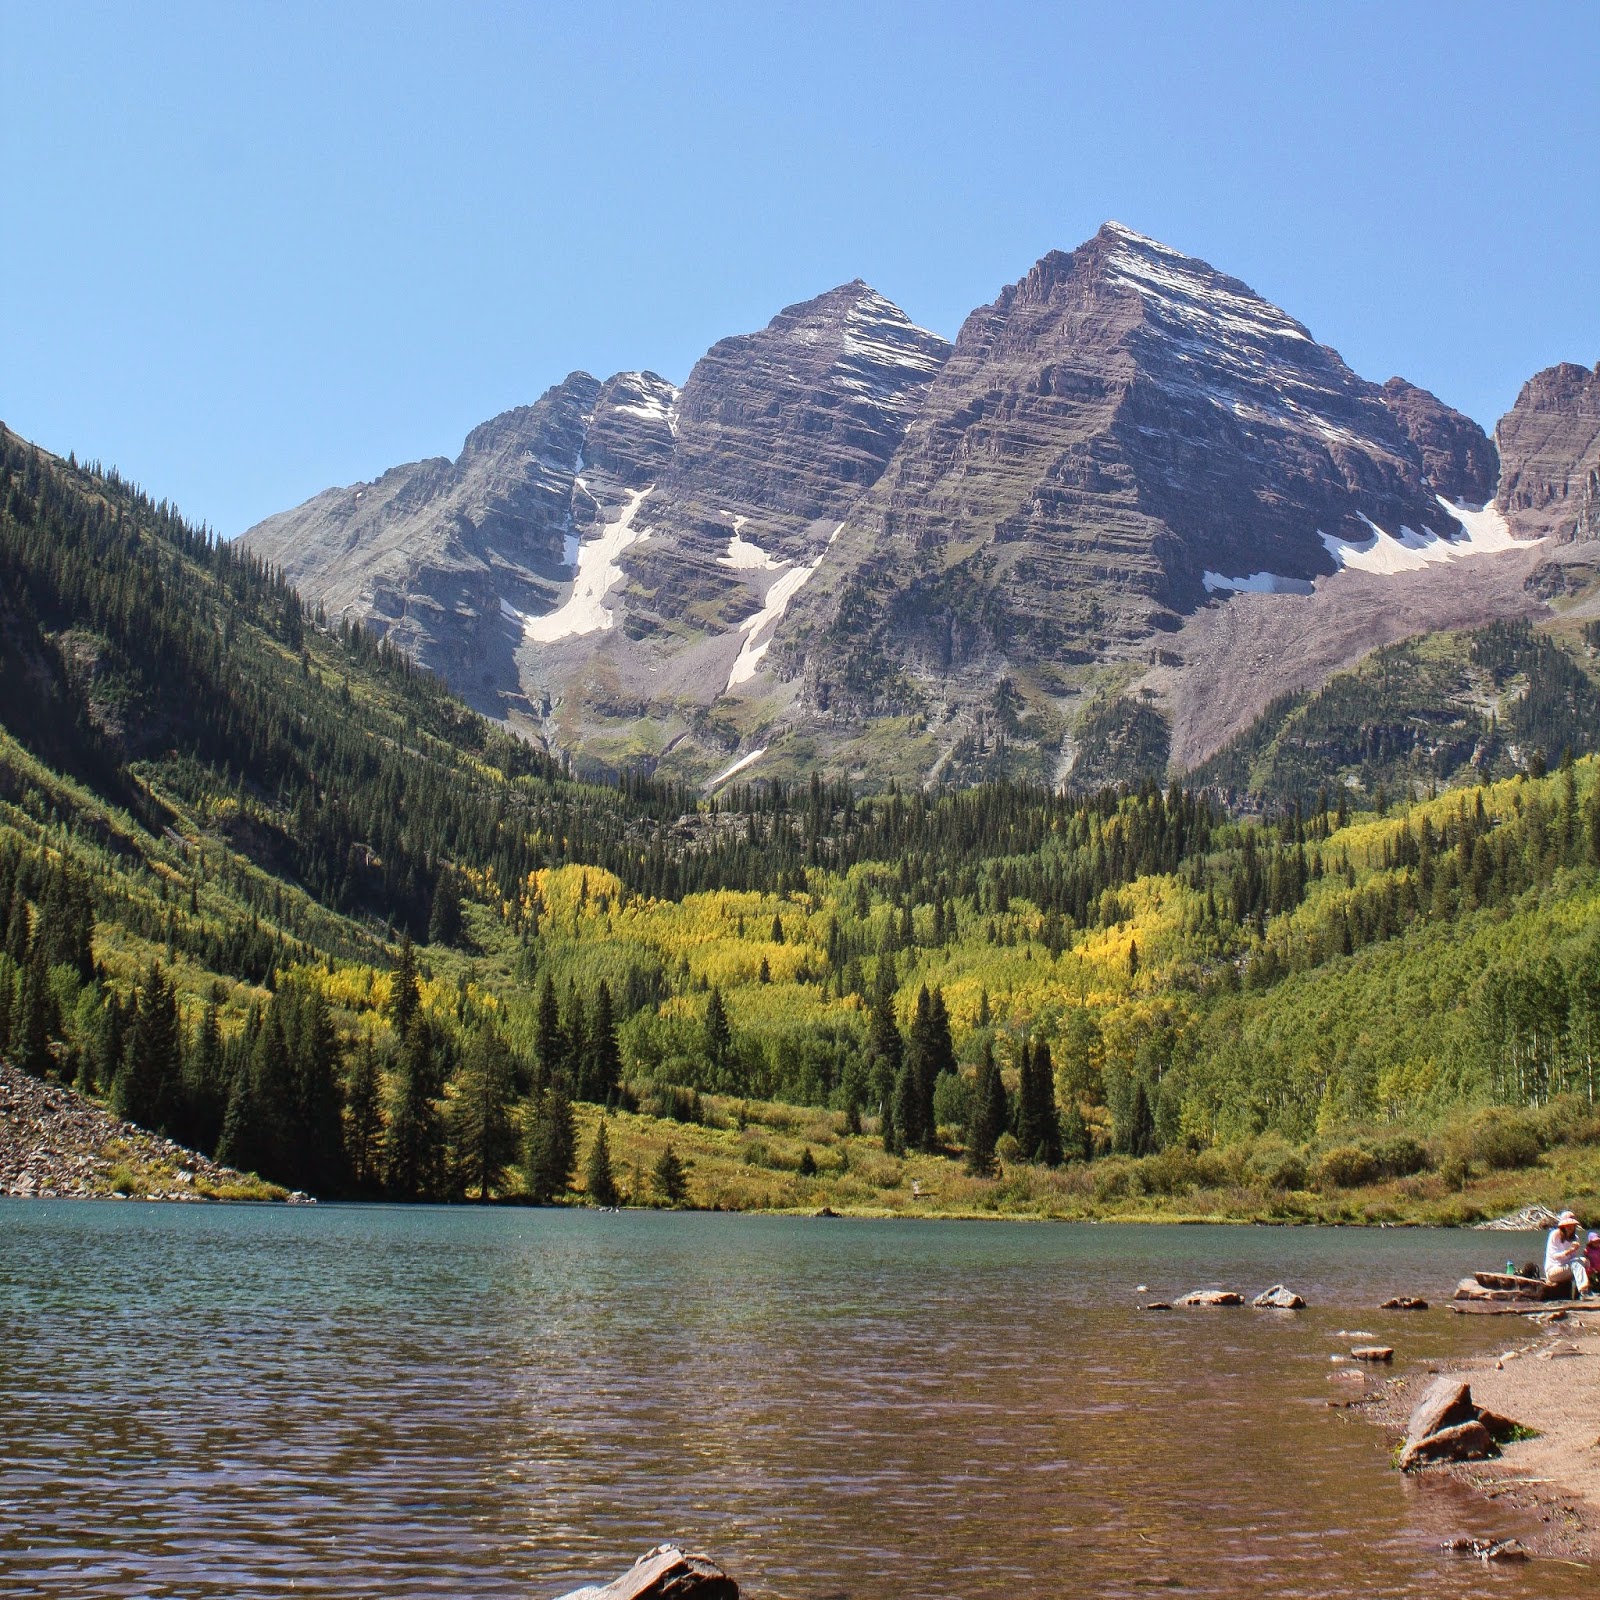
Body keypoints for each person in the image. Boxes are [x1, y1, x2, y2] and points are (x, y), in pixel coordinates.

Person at [1545, 1210, 1590, 1297]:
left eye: (1572, 1225)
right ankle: (1584, 1289)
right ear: (1563, 1226)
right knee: (1577, 1263)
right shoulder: (1555, 1235)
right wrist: (1569, 1251)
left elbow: (1572, 1259)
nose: (1570, 1227)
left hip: (1567, 1268)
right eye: (1568, 1225)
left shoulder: (1575, 1238)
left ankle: (1580, 1291)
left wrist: (1574, 1250)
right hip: (1553, 1270)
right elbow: (1555, 1256)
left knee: (1584, 1261)